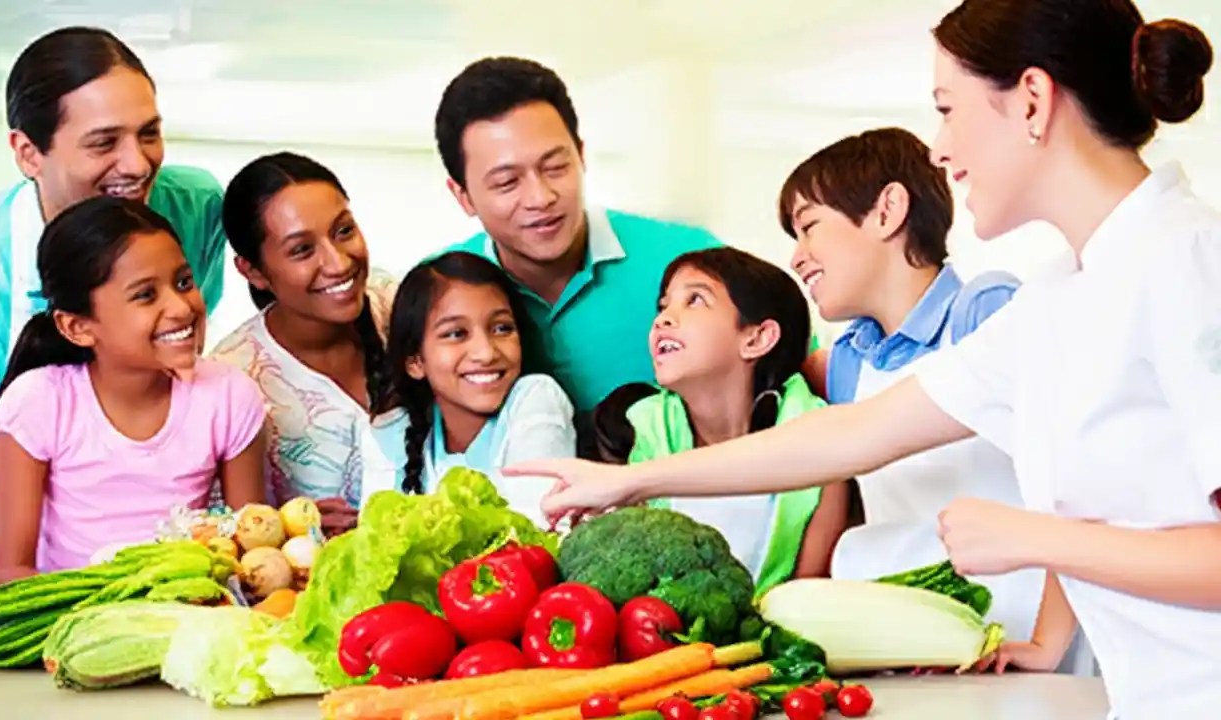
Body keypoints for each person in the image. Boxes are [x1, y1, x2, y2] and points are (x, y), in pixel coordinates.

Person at [511, 1, 1220, 716]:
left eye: (948, 109)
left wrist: (1044, 539)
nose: (939, 149)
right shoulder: (1061, 297)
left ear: (1032, 101)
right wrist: (628, 482)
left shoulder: (1189, 259)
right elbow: (855, 433)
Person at [0, 27, 229, 598]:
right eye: (104, 143)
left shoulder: (195, 210)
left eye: (149, 133)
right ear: (28, 152)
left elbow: (174, 351)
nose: (138, 164)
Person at [432, 57, 827, 428]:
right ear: (462, 195)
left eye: (556, 167)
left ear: (582, 157)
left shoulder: (690, 265)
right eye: (506, 182)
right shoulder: (437, 292)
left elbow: (801, 377)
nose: (540, 197)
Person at [780, 127, 1044, 642]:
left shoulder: (986, 312)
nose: (797, 257)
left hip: (1018, 632)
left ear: (888, 211)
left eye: (809, 226)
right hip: (905, 634)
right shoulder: (847, 362)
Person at [0, 197, 265, 583]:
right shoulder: (40, 402)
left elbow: (252, 545)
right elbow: (11, 571)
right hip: (67, 625)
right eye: (146, 294)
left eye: (183, 282)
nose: (181, 307)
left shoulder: (229, 396)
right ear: (78, 327)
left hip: (187, 612)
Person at [595, 247, 851, 592]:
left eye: (695, 300)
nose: (663, 319)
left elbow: (805, 595)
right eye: (663, 306)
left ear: (757, 338)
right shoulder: (642, 431)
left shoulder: (819, 441)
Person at [211, 152, 395, 536]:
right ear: (252, 270)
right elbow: (220, 532)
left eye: (344, 230)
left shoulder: (402, 307)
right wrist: (284, 528)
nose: (338, 262)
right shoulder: (232, 381)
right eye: (301, 250)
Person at [363, 251, 576, 527]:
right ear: (415, 361)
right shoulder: (391, 428)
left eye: (501, 328)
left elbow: (538, 526)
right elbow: (374, 538)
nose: (486, 353)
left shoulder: (536, 398)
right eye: (456, 334)